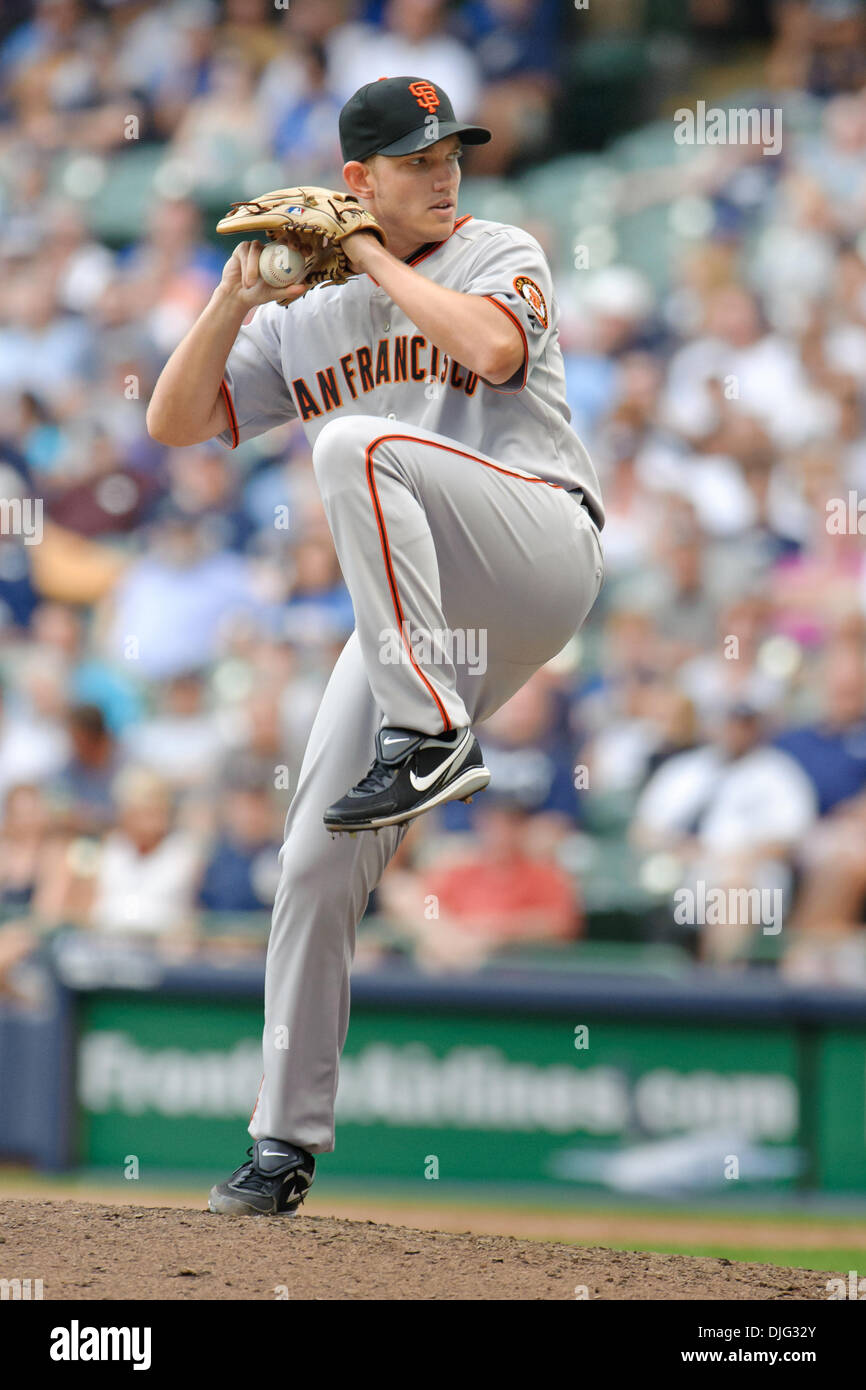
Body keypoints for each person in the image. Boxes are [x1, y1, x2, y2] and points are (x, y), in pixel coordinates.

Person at [147, 76, 604, 1215]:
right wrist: (230, 302)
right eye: (415, 159)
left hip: (536, 548)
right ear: (356, 180)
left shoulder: (498, 245)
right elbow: (174, 425)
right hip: (417, 617)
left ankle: (431, 734)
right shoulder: (309, 319)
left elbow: (493, 353)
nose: (443, 170)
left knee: (353, 443)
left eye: (450, 149)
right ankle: (281, 1146)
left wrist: (376, 258)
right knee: (311, 858)